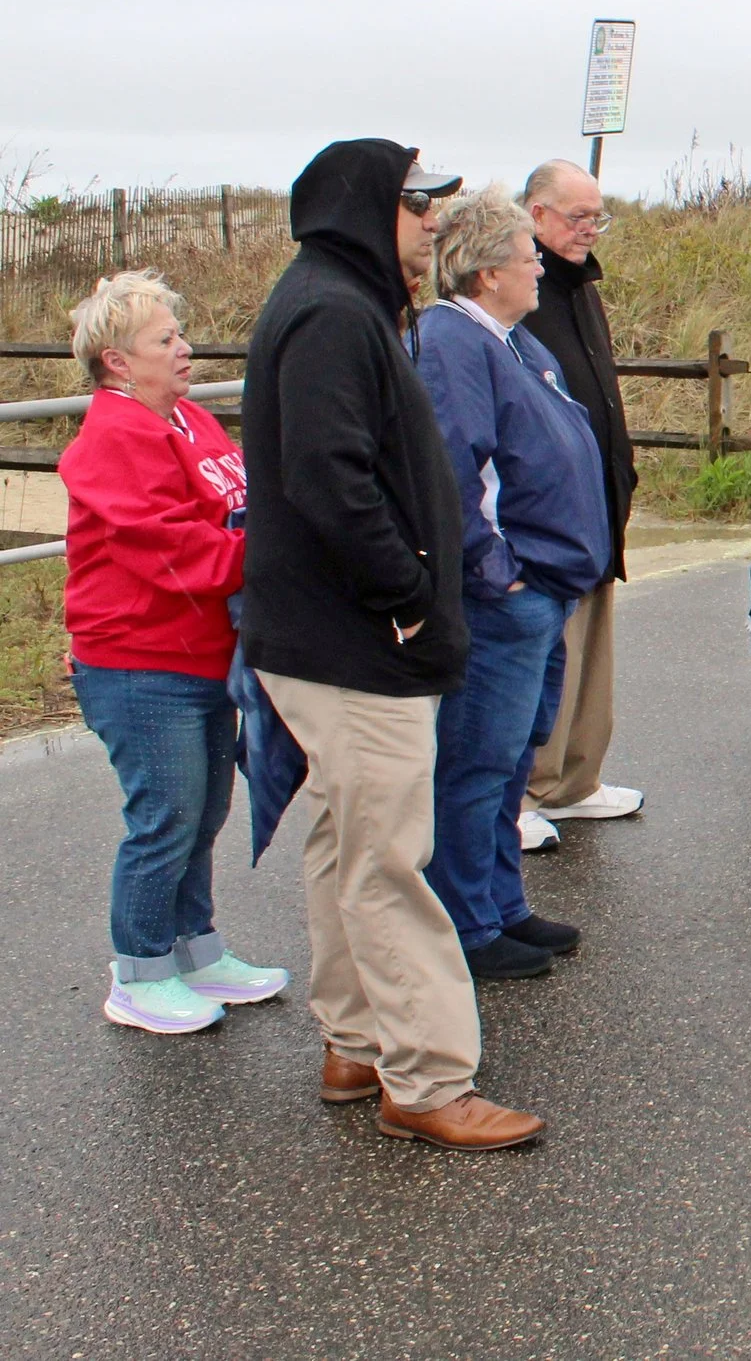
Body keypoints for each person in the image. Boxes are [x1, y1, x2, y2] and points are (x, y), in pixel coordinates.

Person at [243, 139, 541, 1151]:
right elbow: (327, 476)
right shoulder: (331, 312)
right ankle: (427, 1078)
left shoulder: (339, 301)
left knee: (347, 840)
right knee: (388, 861)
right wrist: (406, 593)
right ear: (366, 209)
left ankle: (358, 1041)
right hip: (355, 641)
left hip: (332, 636)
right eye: (416, 205)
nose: (432, 222)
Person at [61, 272, 286, 1035]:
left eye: (179, 333)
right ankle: (140, 969)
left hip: (200, 656)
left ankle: (196, 948)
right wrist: (269, 553)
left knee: (204, 810)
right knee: (166, 814)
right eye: (165, 339)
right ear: (118, 361)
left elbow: (237, 506)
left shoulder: (190, 419)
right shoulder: (115, 436)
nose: (184, 347)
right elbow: (169, 545)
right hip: (138, 663)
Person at [415, 187, 611, 980]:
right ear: (488, 270)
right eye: (528, 257)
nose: (539, 269)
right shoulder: (452, 343)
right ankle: (466, 925)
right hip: (510, 597)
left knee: (511, 759)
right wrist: (500, 575)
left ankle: (501, 903)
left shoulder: (513, 340)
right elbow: (454, 470)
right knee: (477, 763)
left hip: (545, 589)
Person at [518, 160, 644, 827]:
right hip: (548, 513)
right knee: (545, 652)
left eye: (598, 217)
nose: (590, 229)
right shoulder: (519, 287)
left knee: (592, 649)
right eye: (578, 217)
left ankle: (575, 781)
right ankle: (527, 792)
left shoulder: (582, 287)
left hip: (598, 501)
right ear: (536, 214)